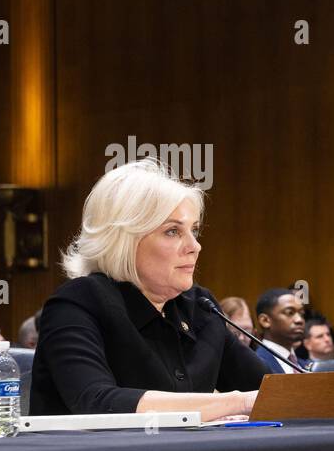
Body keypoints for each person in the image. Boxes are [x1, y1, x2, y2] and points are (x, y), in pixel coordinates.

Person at [29, 158, 266, 419]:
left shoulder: (199, 307)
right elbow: (96, 402)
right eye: (173, 231)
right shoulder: (77, 303)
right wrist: (236, 403)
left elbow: (269, 389)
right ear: (123, 239)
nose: (194, 246)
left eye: (194, 230)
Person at [253, 288, 309, 373]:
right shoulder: (254, 364)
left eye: (301, 314)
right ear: (265, 320)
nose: (299, 320)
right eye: (290, 312)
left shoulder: (306, 365)